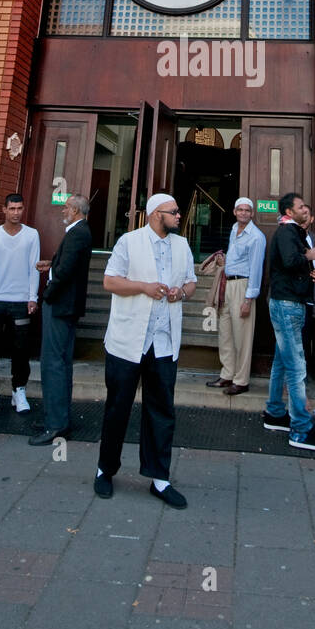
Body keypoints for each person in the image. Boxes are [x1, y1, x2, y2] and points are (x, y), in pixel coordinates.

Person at [94, 194, 196, 508]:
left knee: (162, 410)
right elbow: (109, 282)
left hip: (164, 342)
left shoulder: (182, 245)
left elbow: (192, 281)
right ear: (155, 215)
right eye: (174, 212)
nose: (179, 216)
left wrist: (182, 292)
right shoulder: (129, 241)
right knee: (118, 407)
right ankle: (105, 470)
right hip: (128, 341)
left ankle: (159, 478)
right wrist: (143, 287)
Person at [262, 193, 315, 452]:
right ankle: (301, 429)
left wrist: (308, 273)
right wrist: (310, 254)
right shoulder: (287, 232)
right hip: (287, 306)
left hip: (289, 302)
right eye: (301, 206)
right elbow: (290, 260)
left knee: (281, 361)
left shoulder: (294, 233)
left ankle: (275, 413)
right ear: (290, 211)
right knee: (296, 366)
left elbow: (290, 266)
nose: (306, 209)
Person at [29, 194, 92, 446]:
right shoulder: (80, 231)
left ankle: (55, 424)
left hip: (60, 306)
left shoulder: (77, 233)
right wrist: (52, 264)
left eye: (66, 207)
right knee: (61, 362)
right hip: (66, 306)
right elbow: (65, 264)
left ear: (76, 210)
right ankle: (58, 418)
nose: (63, 210)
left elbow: (66, 271)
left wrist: (48, 293)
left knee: (53, 363)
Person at [0, 194, 41, 418]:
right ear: (3, 210)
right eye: (12, 208)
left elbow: (34, 266)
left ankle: (19, 390)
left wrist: (32, 296)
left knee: (21, 349)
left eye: (19, 208)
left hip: (21, 300)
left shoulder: (32, 234)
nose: (16, 212)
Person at [205, 198, 266, 396]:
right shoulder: (233, 230)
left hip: (243, 287)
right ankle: (227, 374)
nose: (243, 213)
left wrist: (249, 299)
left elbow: (256, 270)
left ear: (252, 214)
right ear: (234, 211)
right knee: (225, 333)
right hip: (227, 284)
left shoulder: (256, 237)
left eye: (247, 210)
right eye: (240, 209)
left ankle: (241, 380)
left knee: (242, 337)